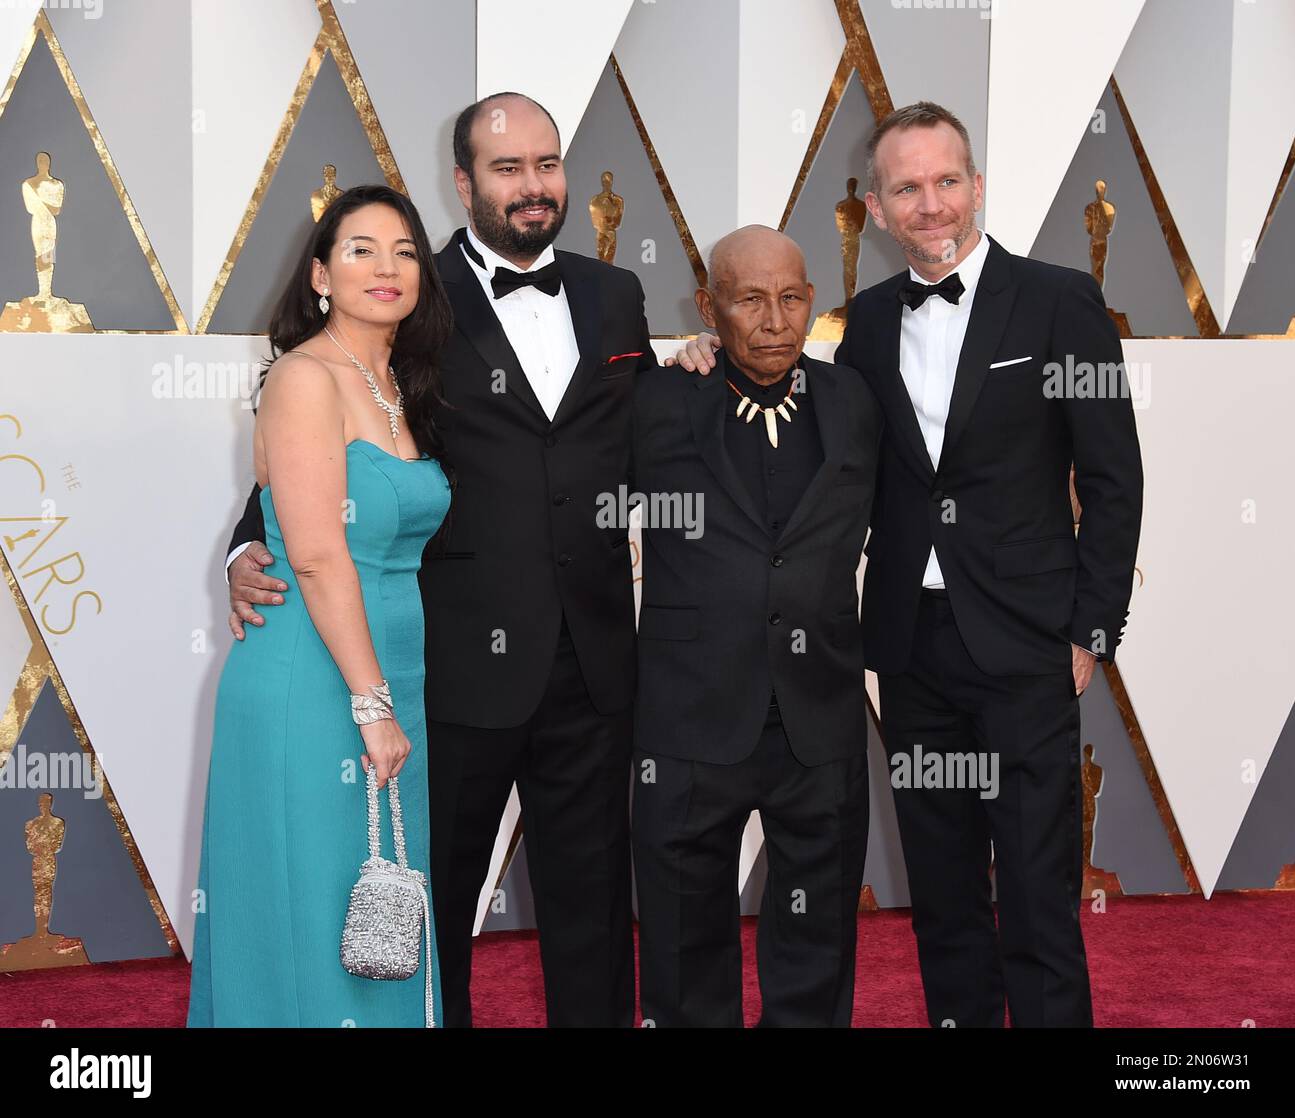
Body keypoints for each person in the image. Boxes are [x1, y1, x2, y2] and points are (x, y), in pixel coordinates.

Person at [671, 101, 1143, 1028]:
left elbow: (1114, 479)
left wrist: (1092, 630)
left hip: (1028, 645)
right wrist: (704, 356)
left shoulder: (1059, 302)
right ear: (878, 209)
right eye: (907, 188)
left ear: (975, 187)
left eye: (946, 181)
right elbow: (786, 399)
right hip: (909, 645)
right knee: (942, 883)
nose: (931, 204)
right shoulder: (867, 323)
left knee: (1042, 890)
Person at [224, 93, 655, 1027]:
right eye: (507, 169)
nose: (532, 186)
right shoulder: (411, 297)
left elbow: (645, 434)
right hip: (452, 661)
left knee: (592, 910)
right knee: (434, 911)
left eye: (547, 164)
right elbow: (315, 444)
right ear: (463, 184)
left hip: (593, 659)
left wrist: (704, 371)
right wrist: (245, 546)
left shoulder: (616, 294)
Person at [189, 184, 453, 1027]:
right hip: (318, 679)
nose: (386, 267)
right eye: (361, 250)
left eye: (405, 251)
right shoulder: (304, 377)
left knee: (382, 902)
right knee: (319, 901)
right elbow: (312, 550)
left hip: (388, 675)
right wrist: (371, 705)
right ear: (320, 275)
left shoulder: (402, 385)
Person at [632, 226, 882, 1026]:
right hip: (687, 713)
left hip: (821, 712)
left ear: (813, 302)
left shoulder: (854, 401)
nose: (775, 320)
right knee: (680, 934)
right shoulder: (660, 400)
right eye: (749, 300)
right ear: (709, 308)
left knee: (818, 934)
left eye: (792, 298)